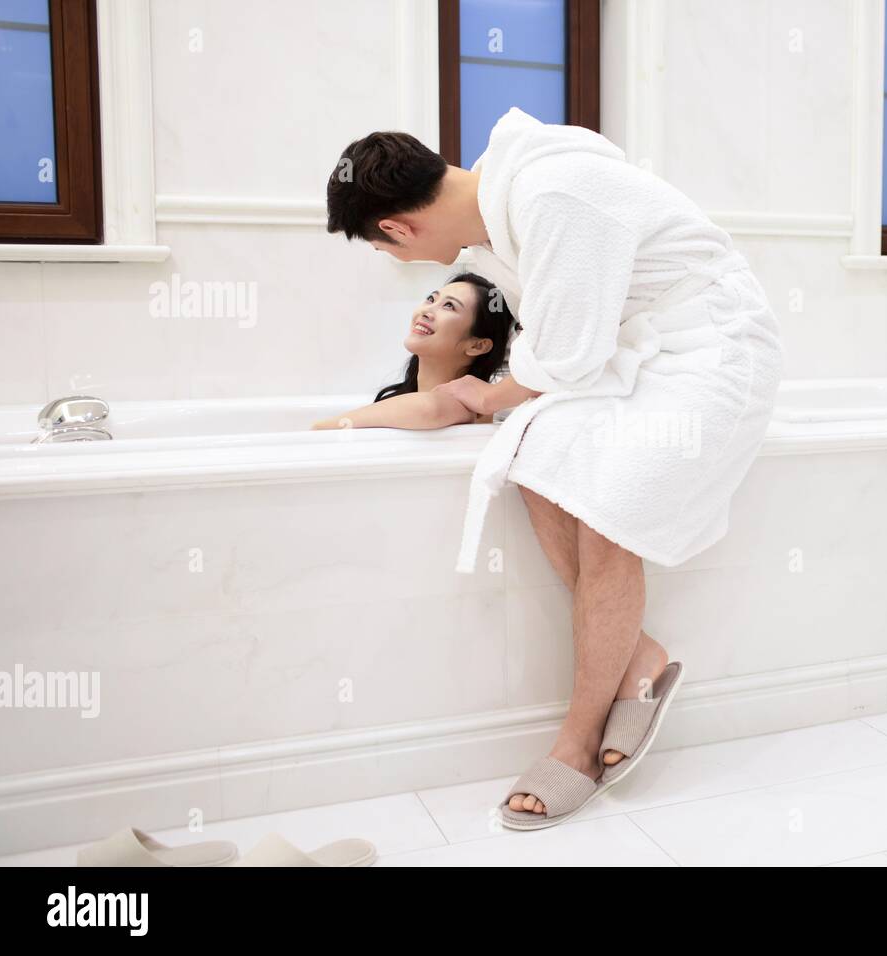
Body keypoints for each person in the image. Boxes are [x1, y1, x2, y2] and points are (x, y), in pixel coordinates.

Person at [326, 107, 784, 828]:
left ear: (396, 228)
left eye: (391, 253)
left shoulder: (554, 193)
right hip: (631, 362)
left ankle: (575, 743)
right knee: (535, 455)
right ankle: (641, 655)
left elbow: (565, 353)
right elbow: (563, 344)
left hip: (711, 352)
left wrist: (487, 396)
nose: (412, 266)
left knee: (607, 512)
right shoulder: (511, 207)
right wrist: (495, 400)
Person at [310, 273, 515, 431]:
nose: (427, 310)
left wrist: (322, 429)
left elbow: (431, 407)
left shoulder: (469, 406)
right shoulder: (406, 401)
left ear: (477, 345)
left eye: (449, 306)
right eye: (431, 299)